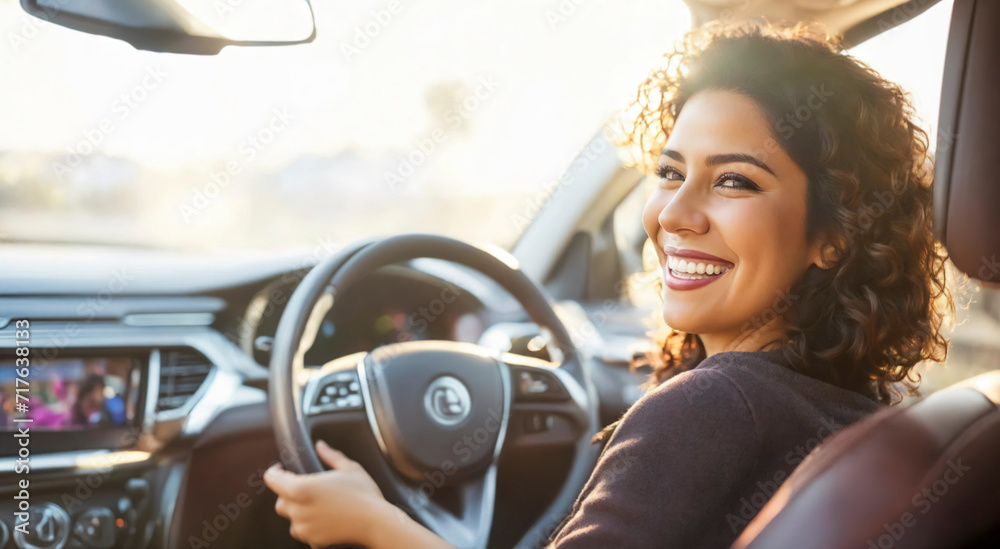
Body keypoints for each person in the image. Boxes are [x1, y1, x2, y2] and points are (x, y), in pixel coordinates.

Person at [263, 22, 952, 548]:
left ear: (835, 234)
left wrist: (373, 524)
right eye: (671, 172)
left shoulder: (709, 408)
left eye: (734, 181)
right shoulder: (867, 413)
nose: (674, 214)